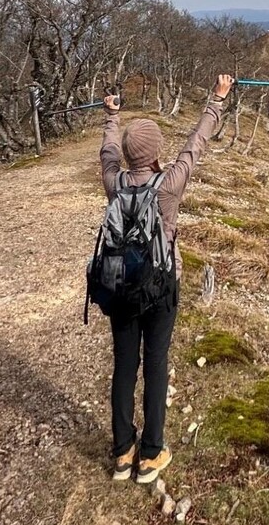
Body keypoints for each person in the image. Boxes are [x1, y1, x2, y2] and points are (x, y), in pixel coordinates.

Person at [99, 75, 235, 484]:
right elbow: (197, 143)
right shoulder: (169, 185)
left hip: (119, 283)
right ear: (157, 152)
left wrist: (111, 115)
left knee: (125, 364)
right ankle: (152, 454)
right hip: (160, 286)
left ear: (127, 154)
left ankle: (123, 452)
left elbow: (107, 151)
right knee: (155, 364)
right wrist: (217, 99)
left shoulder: (114, 182)